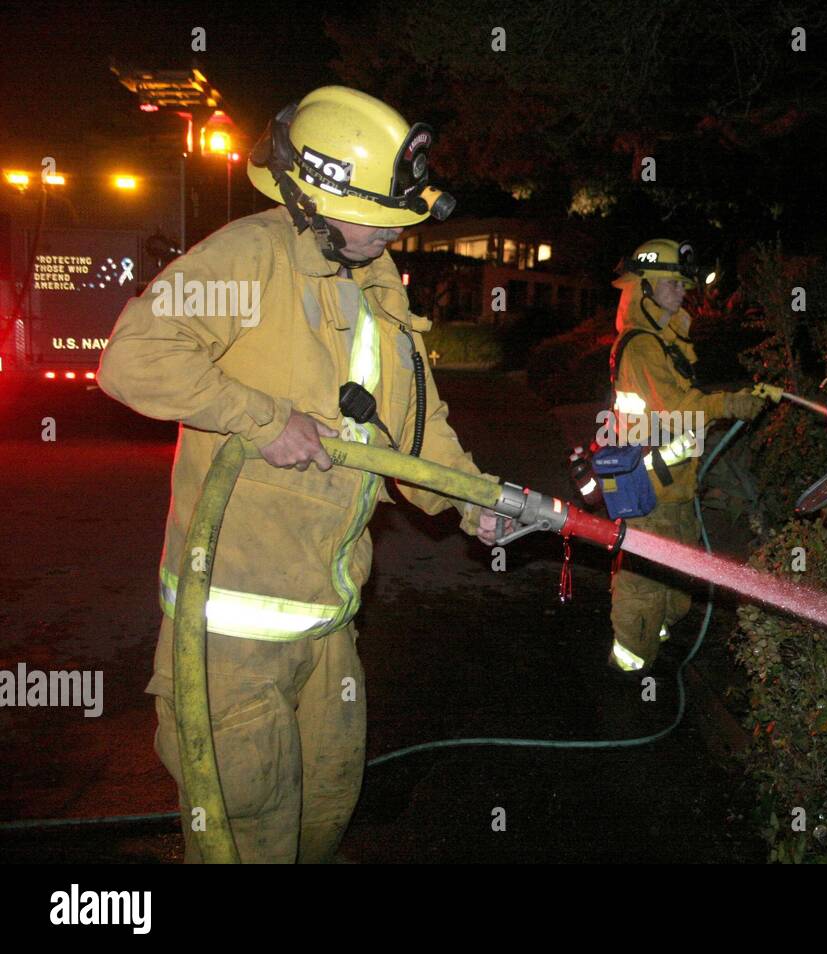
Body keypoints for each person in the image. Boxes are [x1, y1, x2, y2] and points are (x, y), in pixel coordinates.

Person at [98, 85, 506, 863]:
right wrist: (261, 418)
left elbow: (416, 435)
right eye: (378, 215)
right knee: (248, 831)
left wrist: (476, 504)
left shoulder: (378, 288)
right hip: (227, 633)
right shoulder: (246, 258)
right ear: (312, 194)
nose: (392, 232)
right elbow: (132, 359)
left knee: (324, 807)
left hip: (327, 619)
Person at [605, 239, 778, 674]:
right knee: (644, 581)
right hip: (648, 489)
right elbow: (677, 408)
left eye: (684, 283)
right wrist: (728, 405)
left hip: (675, 484)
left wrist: (737, 398)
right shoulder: (643, 346)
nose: (682, 291)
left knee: (673, 579)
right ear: (643, 287)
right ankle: (629, 668)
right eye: (672, 282)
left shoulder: (667, 343)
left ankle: (655, 650)